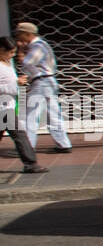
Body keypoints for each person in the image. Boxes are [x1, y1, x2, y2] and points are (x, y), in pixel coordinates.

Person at [15, 22, 71, 153]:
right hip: (47, 82)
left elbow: (27, 62)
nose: (18, 38)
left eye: (20, 34)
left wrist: (21, 51)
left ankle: (27, 147)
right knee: (53, 114)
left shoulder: (37, 46)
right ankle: (63, 144)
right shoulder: (41, 45)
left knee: (31, 115)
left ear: (28, 34)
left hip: (42, 82)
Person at [0, 37, 45, 174]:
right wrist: (16, 84)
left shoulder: (7, 63)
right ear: (1, 50)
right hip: (3, 109)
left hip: (7, 106)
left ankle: (31, 164)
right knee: (20, 135)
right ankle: (31, 164)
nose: (13, 55)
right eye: (11, 52)